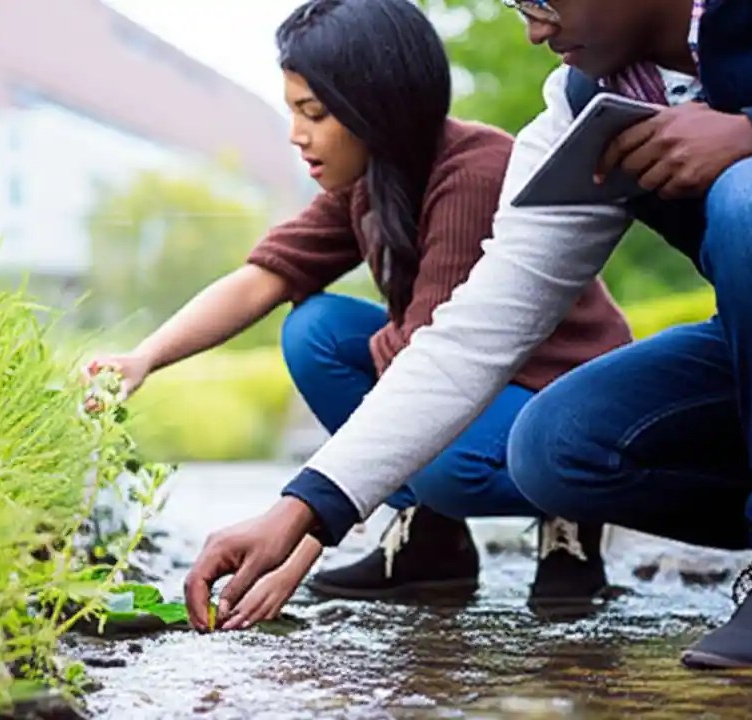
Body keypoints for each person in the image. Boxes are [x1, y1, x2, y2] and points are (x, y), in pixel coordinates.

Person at [184, 0, 752, 670]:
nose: (533, 30)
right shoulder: (582, 113)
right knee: (557, 448)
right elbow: (471, 337)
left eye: (542, 3)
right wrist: (303, 513)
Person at [90, 0, 633, 624]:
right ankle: (431, 539)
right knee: (316, 329)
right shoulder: (368, 180)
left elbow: (433, 367)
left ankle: (570, 515)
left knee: (441, 457)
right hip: (466, 387)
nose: (296, 135)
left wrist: (298, 545)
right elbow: (262, 278)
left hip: (556, 396)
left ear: (374, 109)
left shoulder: (474, 172)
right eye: (293, 111)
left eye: (313, 114)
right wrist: (144, 358)